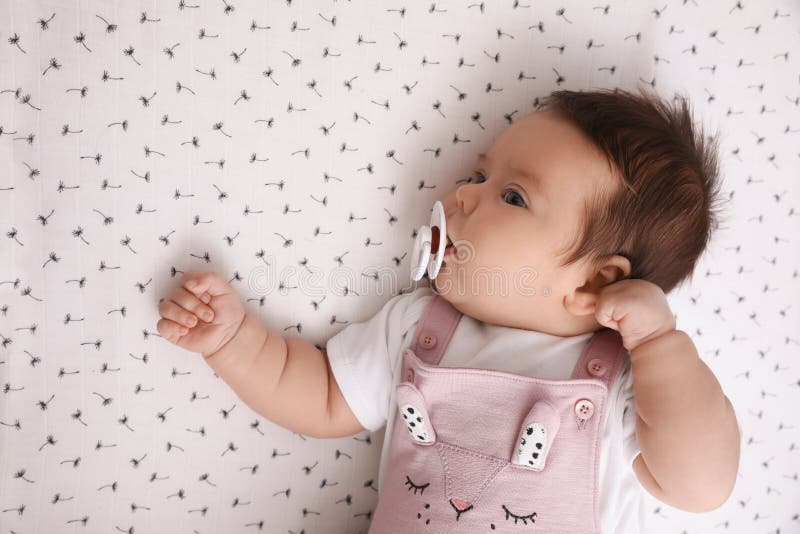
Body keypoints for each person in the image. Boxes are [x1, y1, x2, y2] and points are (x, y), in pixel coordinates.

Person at [156, 86, 741, 533]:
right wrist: (234, 342)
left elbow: (701, 484)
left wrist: (660, 346)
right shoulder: (418, 326)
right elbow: (325, 395)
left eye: (512, 196)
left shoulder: (626, 379)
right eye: (479, 175)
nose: (463, 193)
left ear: (597, 281)